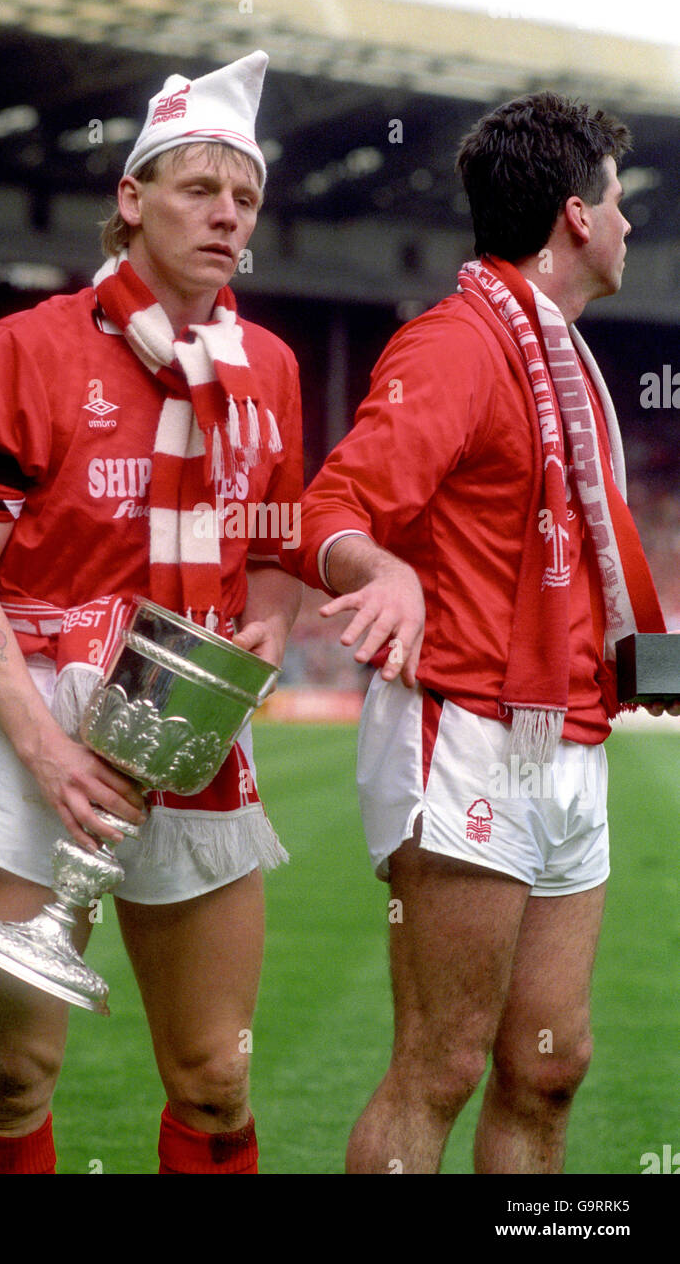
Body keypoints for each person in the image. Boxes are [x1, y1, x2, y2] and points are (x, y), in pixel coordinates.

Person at [0, 50, 303, 1175]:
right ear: (131, 200)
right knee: (12, 1077)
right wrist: (44, 749)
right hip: (35, 709)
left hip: (193, 721)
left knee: (216, 1076)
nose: (226, 215)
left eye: (243, 198)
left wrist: (273, 626)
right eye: (199, 188)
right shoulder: (23, 354)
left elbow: (277, 549)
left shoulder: (270, 367)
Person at [285, 91, 671, 1174]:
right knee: (441, 1065)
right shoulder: (455, 346)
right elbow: (329, 510)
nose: (628, 222)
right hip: (463, 732)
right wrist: (383, 568)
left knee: (548, 1065)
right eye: (616, 200)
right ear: (574, 217)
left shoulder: (563, 358)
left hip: (568, 735)